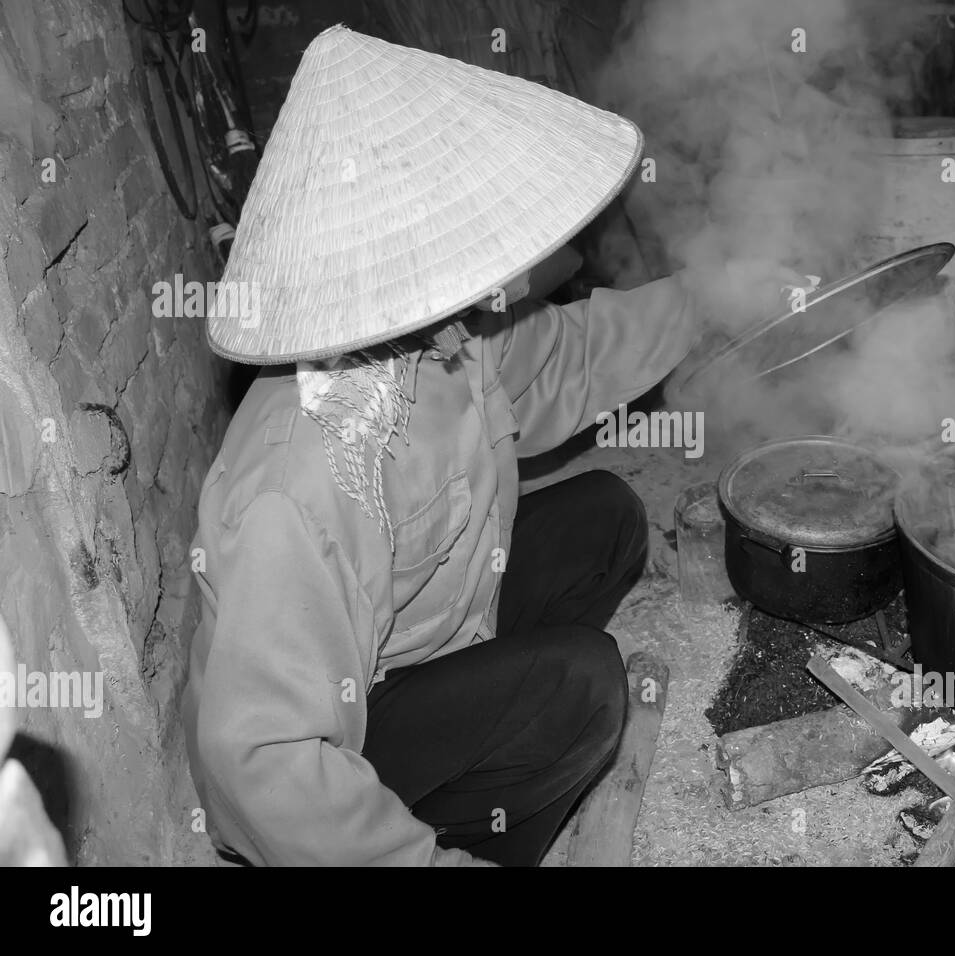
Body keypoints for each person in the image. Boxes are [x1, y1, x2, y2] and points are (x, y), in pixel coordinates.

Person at [183, 25, 792, 866]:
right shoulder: (310, 467)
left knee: (609, 514)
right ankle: (470, 824)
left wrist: (718, 295)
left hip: (426, 645)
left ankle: (494, 729)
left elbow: (574, 358)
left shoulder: (447, 339)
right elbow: (264, 764)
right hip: (336, 743)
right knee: (584, 688)